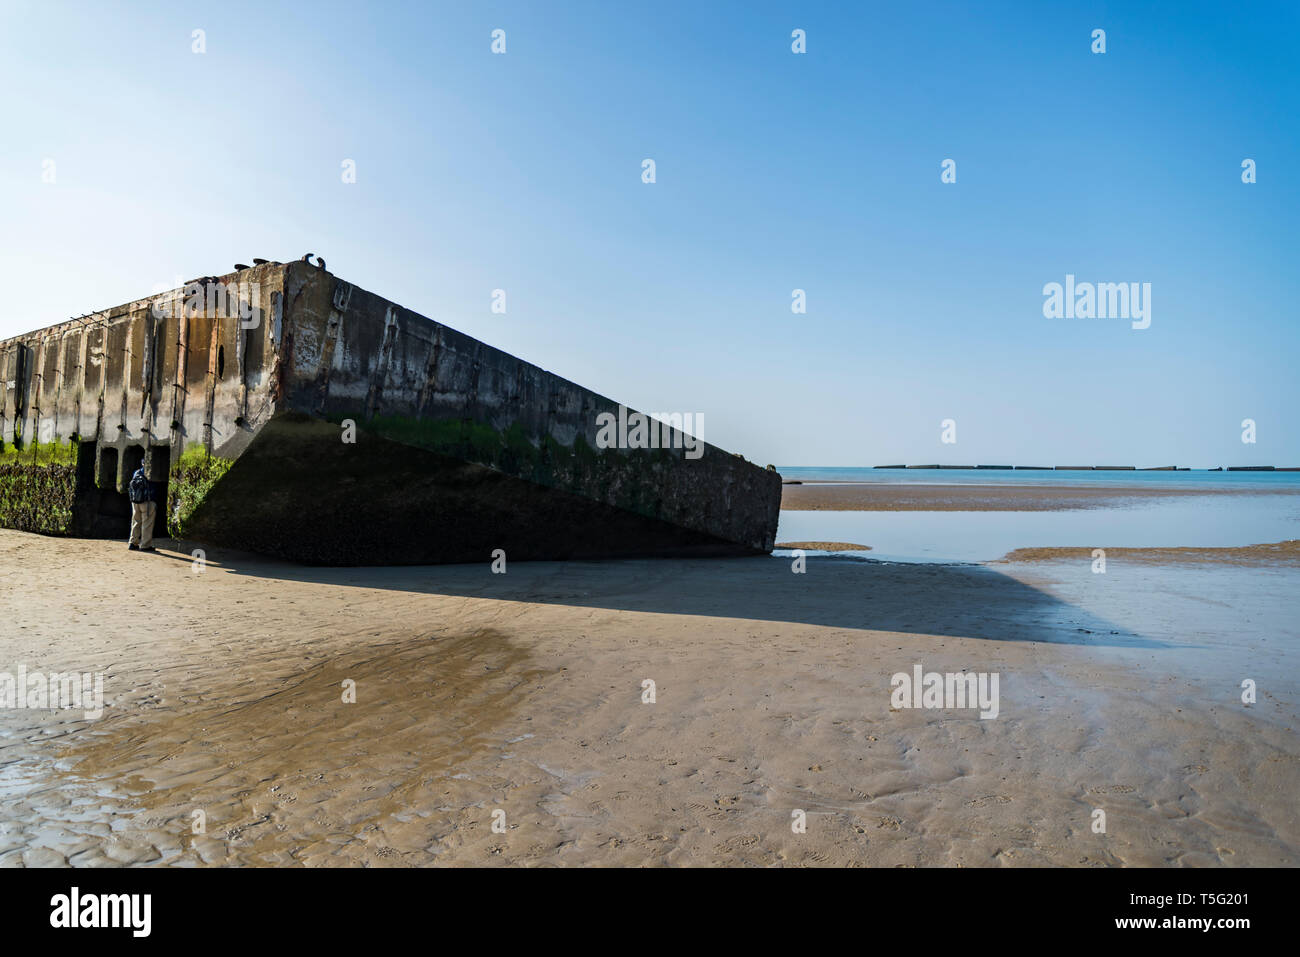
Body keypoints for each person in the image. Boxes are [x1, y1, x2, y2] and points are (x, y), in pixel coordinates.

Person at [127, 464, 159, 552]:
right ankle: (145, 545)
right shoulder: (152, 472)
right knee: (147, 523)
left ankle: (133, 543)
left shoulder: (136, 472)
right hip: (147, 501)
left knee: (136, 522)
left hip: (135, 501)